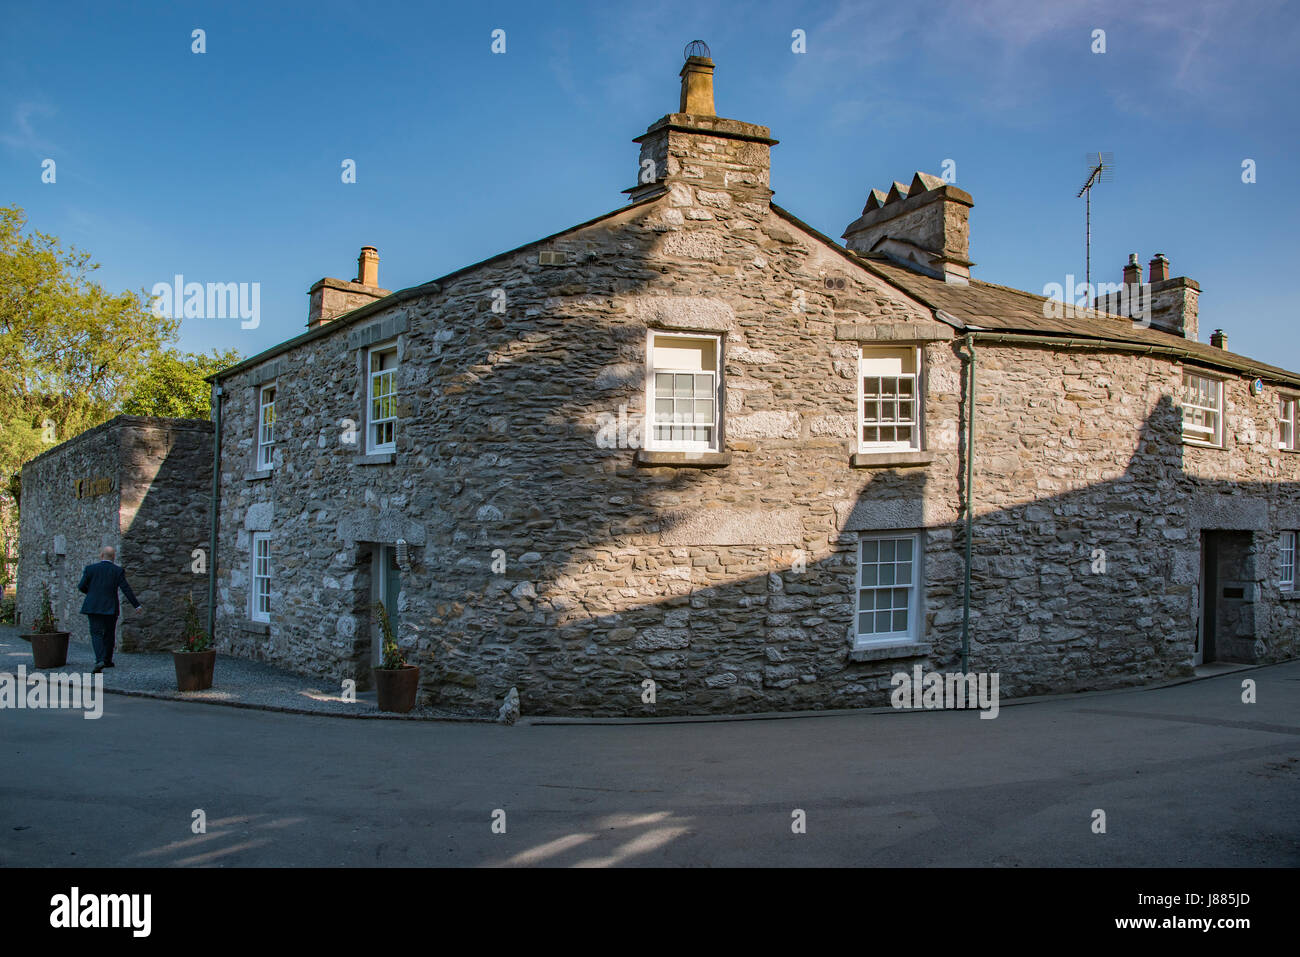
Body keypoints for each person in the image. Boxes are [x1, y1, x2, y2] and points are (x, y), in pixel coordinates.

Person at [77, 545, 141, 674]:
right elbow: (126, 589)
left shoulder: (90, 569)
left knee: (96, 633)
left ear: (101, 555)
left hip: (93, 606)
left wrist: (91, 594)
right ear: (114, 557)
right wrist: (136, 605)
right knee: (109, 633)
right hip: (110, 607)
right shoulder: (117, 571)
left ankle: (99, 659)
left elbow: (81, 586)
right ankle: (107, 660)